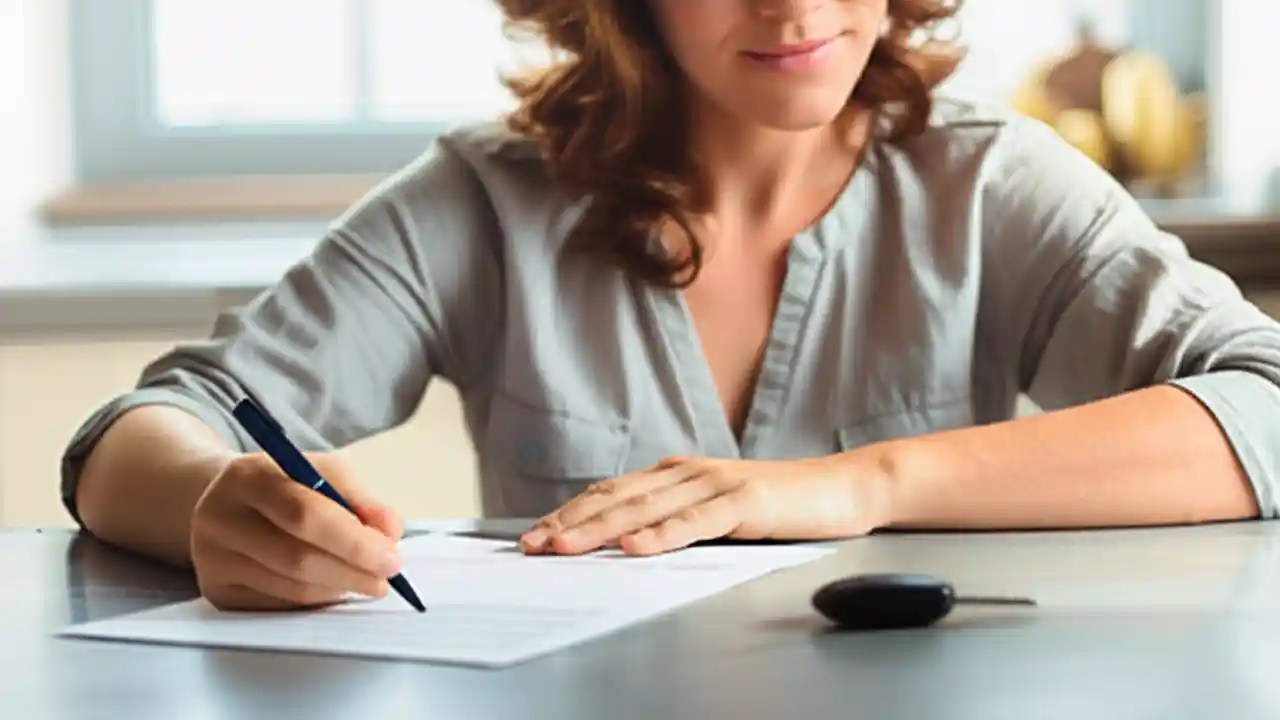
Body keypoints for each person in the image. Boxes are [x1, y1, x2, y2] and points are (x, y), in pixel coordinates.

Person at [62, 0, 1279, 612]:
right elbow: (137, 435)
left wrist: (859, 484)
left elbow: (1263, 401)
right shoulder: (485, 202)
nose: (793, 9)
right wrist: (215, 503)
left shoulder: (990, 189)